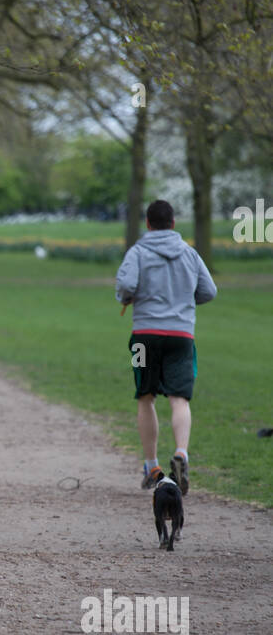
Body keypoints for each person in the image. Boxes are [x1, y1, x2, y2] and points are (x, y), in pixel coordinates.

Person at [115, 199, 217, 493]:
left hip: (144, 336)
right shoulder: (189, 253)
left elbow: (126, 287)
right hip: (181, 337)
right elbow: (209, 291)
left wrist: (128, 298)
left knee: (145, 396)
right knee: (179, 398)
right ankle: (182, 453)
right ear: (173, 224)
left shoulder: (137, 252)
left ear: (148, 223)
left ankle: (152, 467)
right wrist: (183, 302)